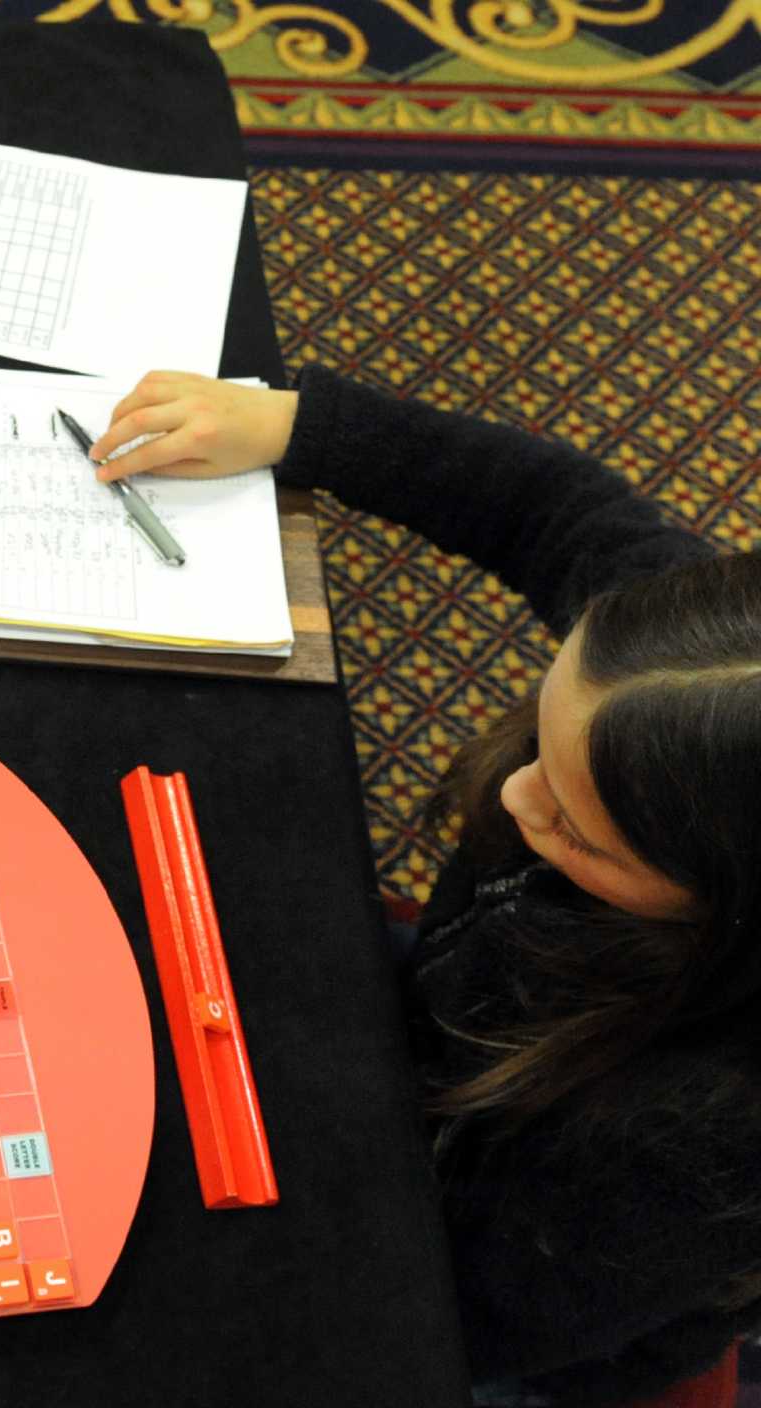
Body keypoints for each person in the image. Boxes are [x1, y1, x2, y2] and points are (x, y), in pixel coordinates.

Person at [93, 367, 761, 1405]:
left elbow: (419, 1308)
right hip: (455, 1022)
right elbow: (547, 503)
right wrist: (298, 425)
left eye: (573, 826)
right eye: (540, 736)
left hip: (483, 1292)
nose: (515, 794)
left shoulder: (699, 1150)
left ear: (721, 909)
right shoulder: (691, 681)